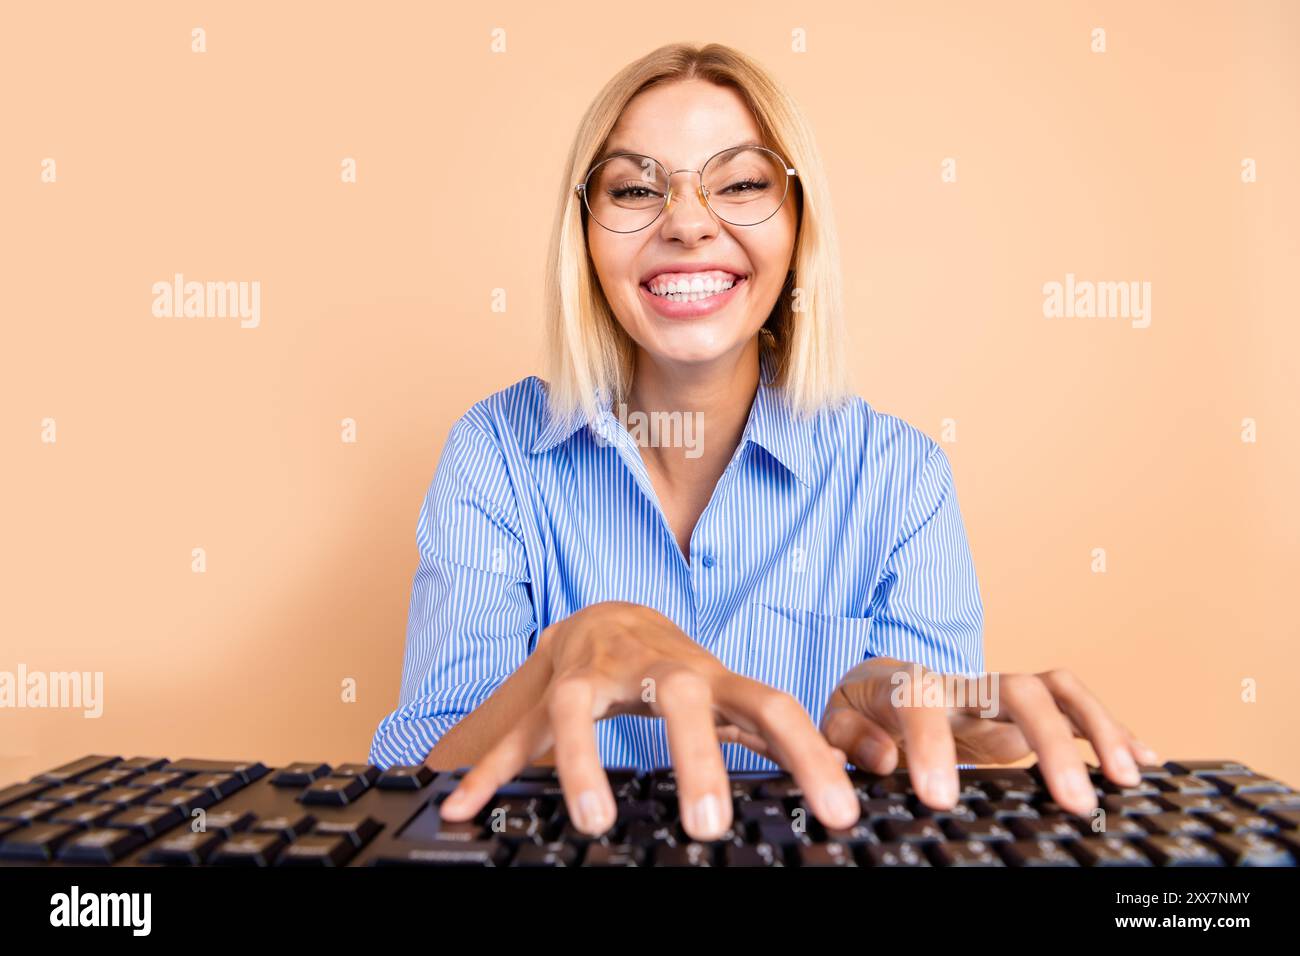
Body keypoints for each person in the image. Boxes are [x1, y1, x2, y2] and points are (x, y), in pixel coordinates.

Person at [370, 42, 1158, 843]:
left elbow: (920, 792)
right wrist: (556, 664)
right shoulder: (496, 455)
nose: (687, 223)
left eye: (742, 184)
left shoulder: (900, 476)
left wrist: (912, 737)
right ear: (584, 237)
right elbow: (408, 802)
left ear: (798, 223)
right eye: (635, 189)